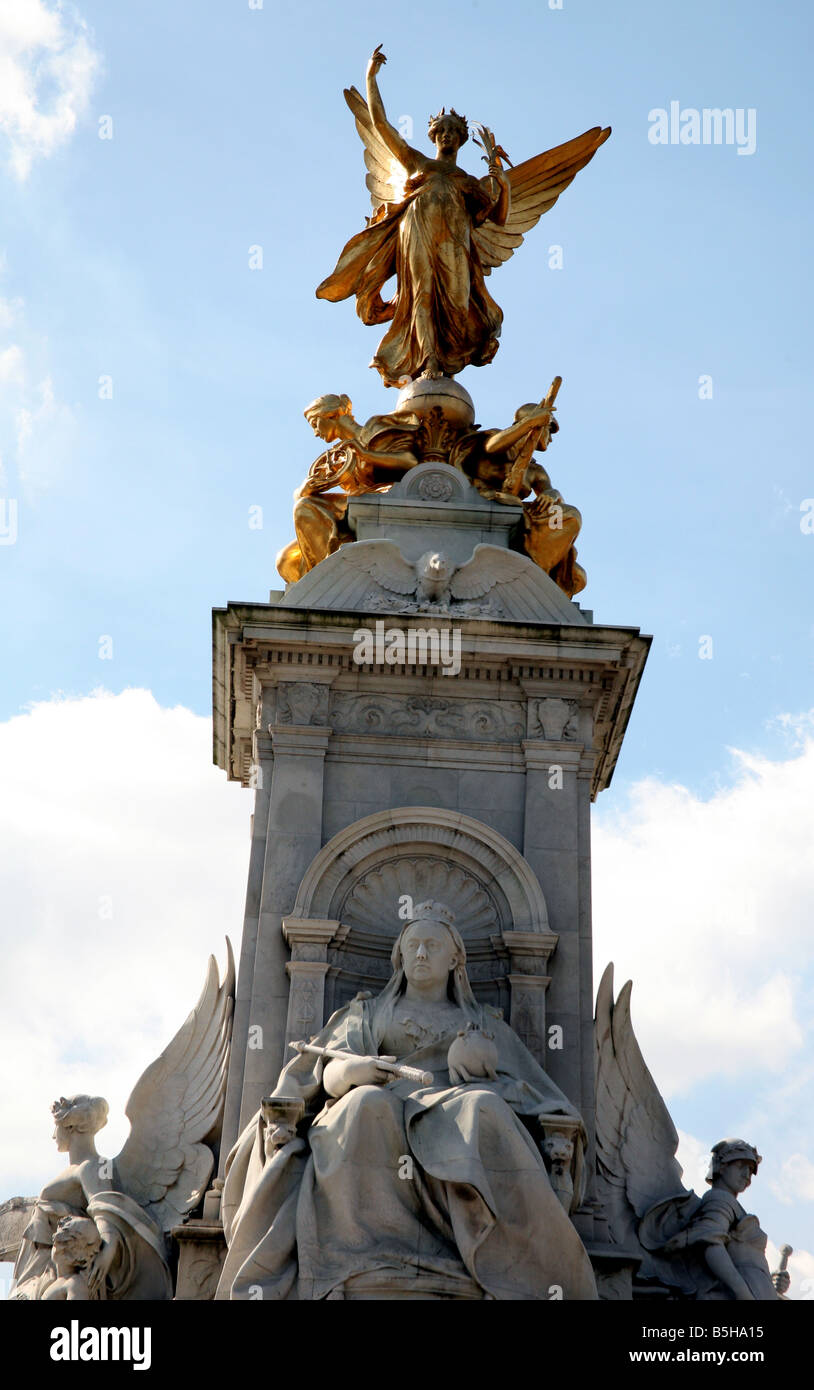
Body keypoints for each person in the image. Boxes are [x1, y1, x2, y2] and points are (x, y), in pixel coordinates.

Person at [216, 901, 597, 1300]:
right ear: (399, 955)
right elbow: (321, 1071)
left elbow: (530, 1088)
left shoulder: (481, 1023)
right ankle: (364, 1253)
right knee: (365, 1106)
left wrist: (478, 1071)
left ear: (454, 959)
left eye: (432, 946)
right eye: (413, 945)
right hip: (380, 1103)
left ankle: (496, 1257)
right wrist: (352, 1073)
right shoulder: (368, 1013)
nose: (420, 953)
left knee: (483, 1107)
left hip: (453, 1107)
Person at [317, 47, 507, 385]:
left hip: (455, 238)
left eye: (453, 131)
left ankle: (449, 355)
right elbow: (380, 124)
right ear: (434, 136)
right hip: (417, 229)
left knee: (458, 300)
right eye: (442, 130)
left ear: (461, 139)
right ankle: (430, 360)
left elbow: (499, 218)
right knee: (421, 292)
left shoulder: (469, 182)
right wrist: (371, 78)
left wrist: (501, 180)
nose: (447, 135)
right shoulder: (419, 163)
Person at [9, 1094, 172, 1301]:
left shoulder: (93, 1166)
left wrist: (108, 1249)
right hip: (44, 1260)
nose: (53, 1135)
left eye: (56, 1127)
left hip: (57, 1265)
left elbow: (104, 1207)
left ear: (70, 1128)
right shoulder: (84, 1167)